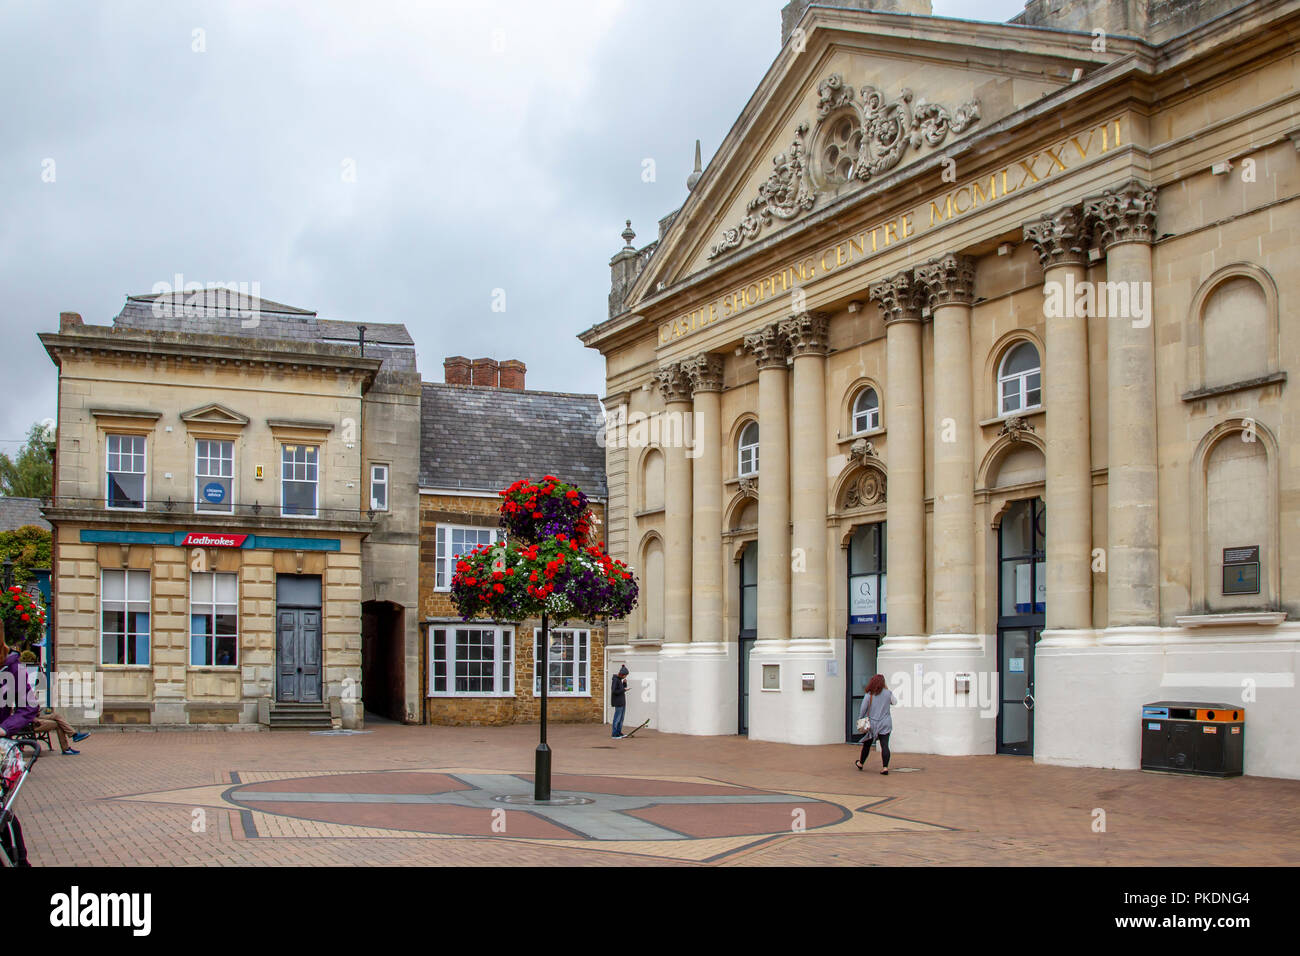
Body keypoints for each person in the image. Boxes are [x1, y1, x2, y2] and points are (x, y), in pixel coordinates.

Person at [855, 673, 898, 775]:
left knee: (867, 744)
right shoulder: (888, 693)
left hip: (872, 723)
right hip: (885, 723)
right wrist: (887, 690)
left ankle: (861, 763)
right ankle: (885, 767)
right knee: (884, 745)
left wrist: (860, 718)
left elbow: (863, 709)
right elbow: (895, 702)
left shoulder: (868, 695)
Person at [610, 664, 629, 739]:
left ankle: (619, 732)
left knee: (621, 719)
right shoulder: (615, 680)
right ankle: (614, 734)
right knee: (617, 718)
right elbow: (614, 691)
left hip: (622, 702)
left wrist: (624, 684)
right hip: (618, 702)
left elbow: (620, 690)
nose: (625, 676)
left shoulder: (619, 680)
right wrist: (624, 689)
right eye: (625, 675)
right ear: (622, 674)